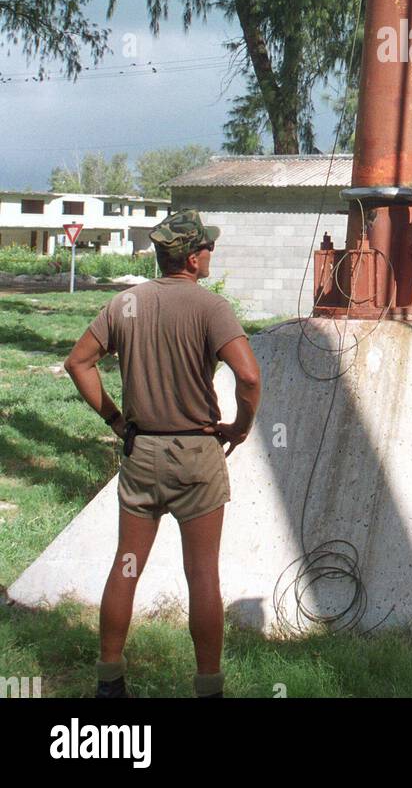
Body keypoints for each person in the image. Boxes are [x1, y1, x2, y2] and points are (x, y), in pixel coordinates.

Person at [64, 209, 261, 700]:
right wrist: (241, 426)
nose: (211, 253)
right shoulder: (211, 308)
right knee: (202, 575)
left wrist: (116, 420)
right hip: (196, 454)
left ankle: (109, 682)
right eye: (207, 247)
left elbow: (78, 362)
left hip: (142, 453)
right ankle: (208, 688)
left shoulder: (125, 303)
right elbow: (249, 376)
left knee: (126, 565)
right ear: (192, 258)